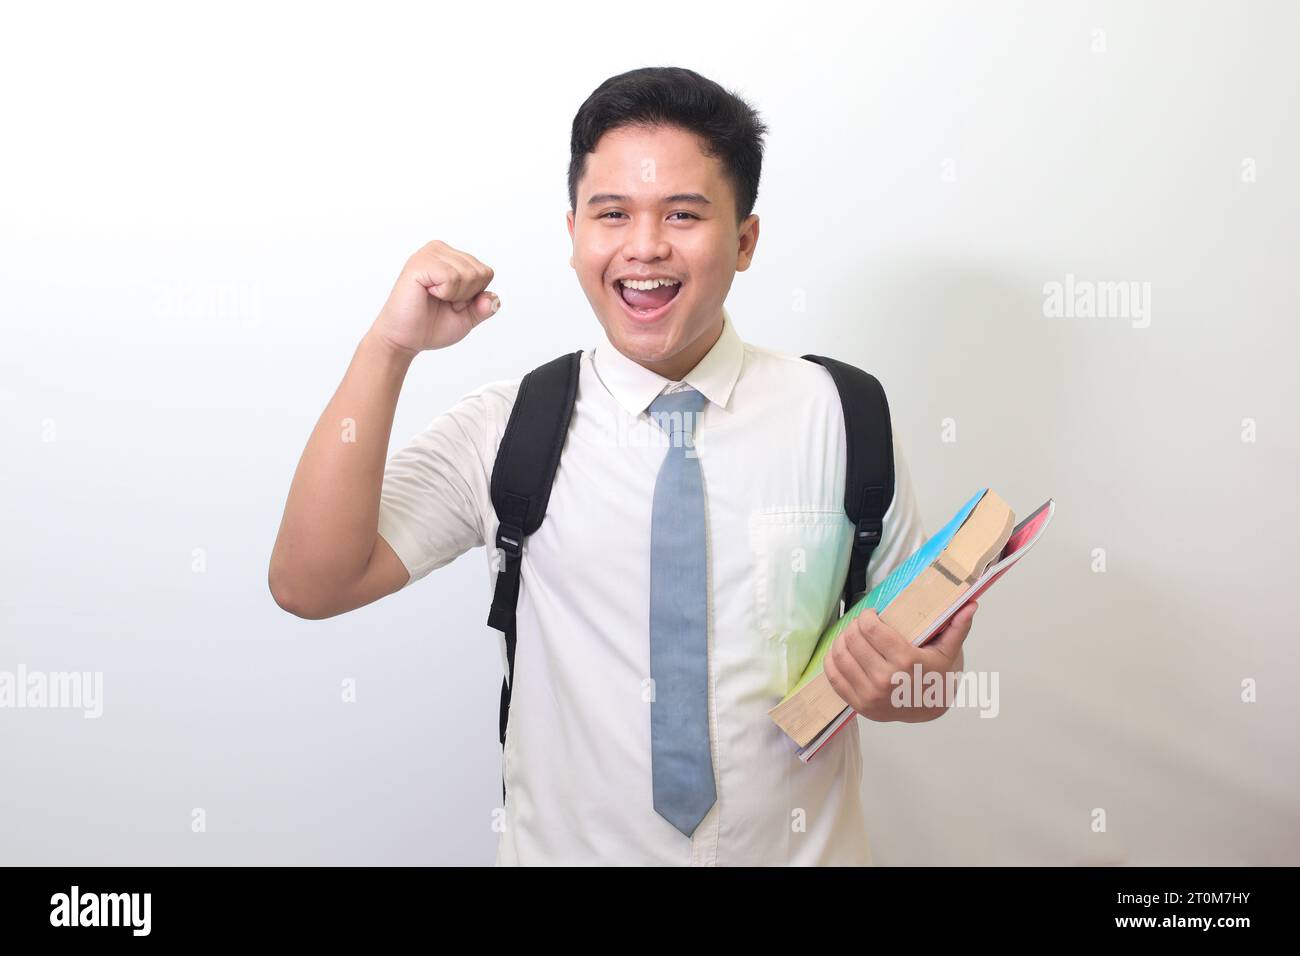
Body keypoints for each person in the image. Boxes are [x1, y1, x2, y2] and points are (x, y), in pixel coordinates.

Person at [268, 65, 978, 866]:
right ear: (574, 233)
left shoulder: (845, 414)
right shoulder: (510, 427)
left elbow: (928, 678)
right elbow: (310, 584)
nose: (644, 246)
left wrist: (910, 687)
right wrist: (389, 346)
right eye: (613, 214)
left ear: (745, 240)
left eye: (683, 214)